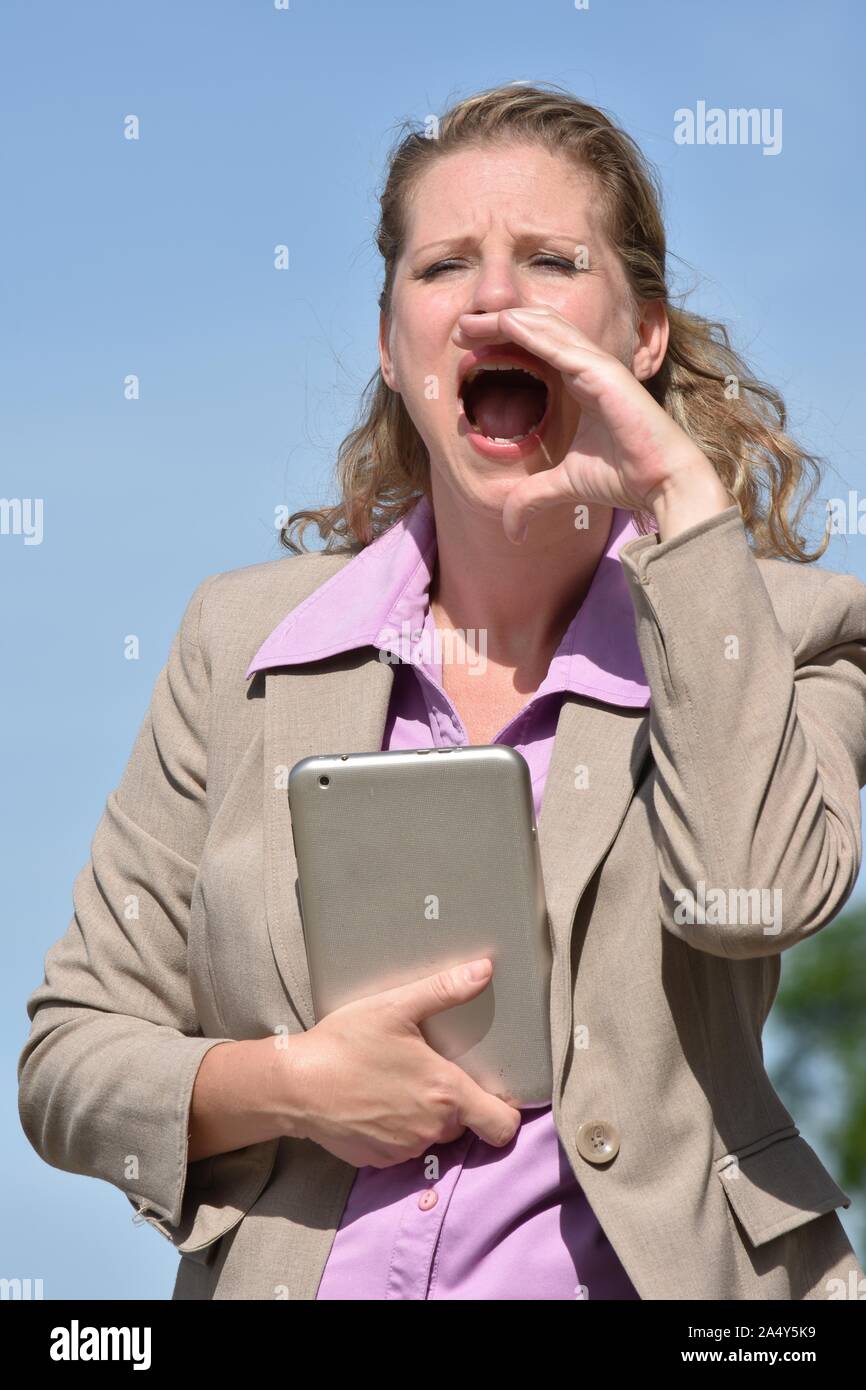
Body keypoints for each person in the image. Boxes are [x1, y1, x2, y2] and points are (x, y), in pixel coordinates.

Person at [18, 81, 866, 1301]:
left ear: (641, 336)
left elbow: (756, 897)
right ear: (390, 343)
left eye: (548, 260)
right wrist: (294, 1085)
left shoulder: (787, 637)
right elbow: (70, 1059)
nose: (492, 300)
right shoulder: (239, 641)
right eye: (444, 266)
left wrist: (682, 506)